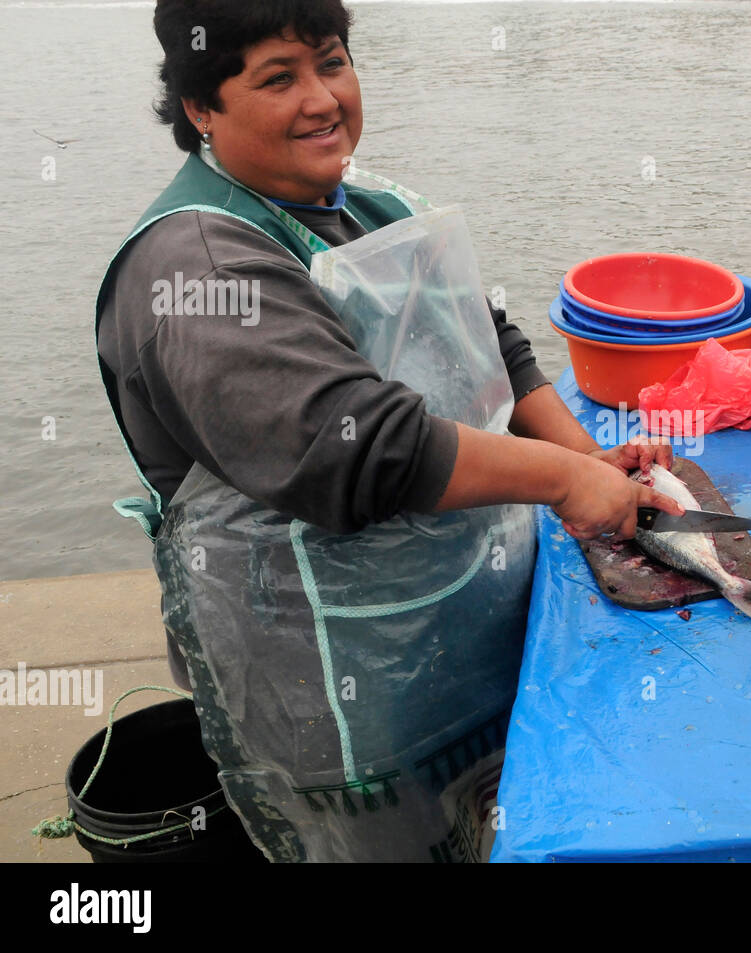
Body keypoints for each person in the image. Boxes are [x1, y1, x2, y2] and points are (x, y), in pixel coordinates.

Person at [95, 0, 682, 862]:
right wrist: (563, 483)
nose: (322, 98)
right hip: (340, 707)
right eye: (277, 78)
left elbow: (494, 347)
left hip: (471, 642)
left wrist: (588, 455)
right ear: (199, 109)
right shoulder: (200, 269)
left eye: (331, 62)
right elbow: (362, 445)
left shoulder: (370, 205)